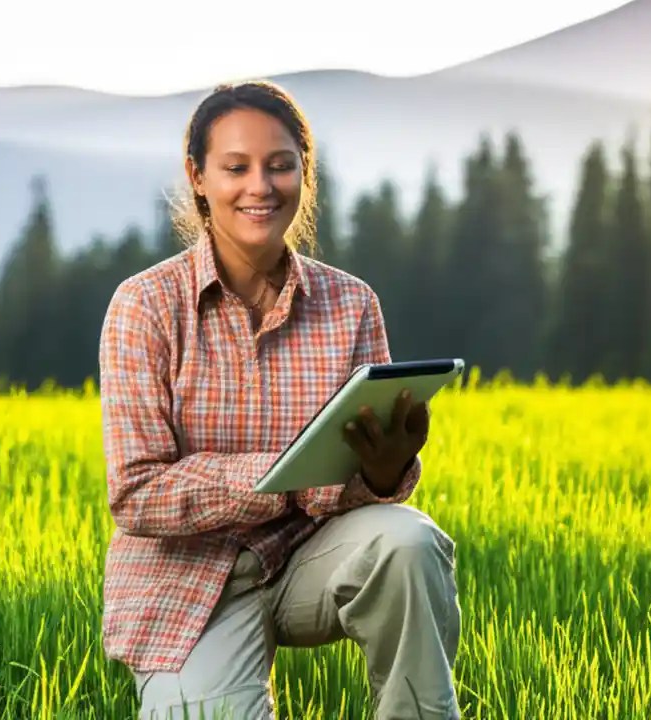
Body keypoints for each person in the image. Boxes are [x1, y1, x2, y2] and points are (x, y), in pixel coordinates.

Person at [97, 79, 461, 720]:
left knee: (409, 543)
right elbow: (135, 491)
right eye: (235, 167)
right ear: (198, 178)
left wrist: (384, 471)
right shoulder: (144, 306)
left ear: (304, 173)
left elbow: (360, 498)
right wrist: (277, 476)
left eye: (280, 165)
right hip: (187, 587)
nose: (260, 187)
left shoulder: (352, 304)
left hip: (308, 559)